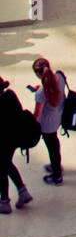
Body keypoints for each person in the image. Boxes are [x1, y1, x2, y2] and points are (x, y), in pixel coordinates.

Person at [0, 75, 32, 214]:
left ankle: (4, 202)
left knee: (2, 170)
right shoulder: (11, 95)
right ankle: (22, 191)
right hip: (14, 139)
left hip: (2, 142)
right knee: (7, 165)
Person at [31, 58, 66, 185]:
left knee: (52, 148)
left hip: (46, 125)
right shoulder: (60, 77)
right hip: (58, 117)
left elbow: (37, 115)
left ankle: (57, 176)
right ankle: (57, 165)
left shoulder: (41, 93)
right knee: (55, 146)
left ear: (38, 74)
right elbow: (54, 88)